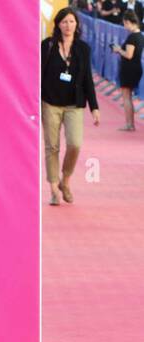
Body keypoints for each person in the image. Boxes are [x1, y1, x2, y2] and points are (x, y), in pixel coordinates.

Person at [41, 7, 99, 205]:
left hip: (74, 103)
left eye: (72, 22)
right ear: (58, 24)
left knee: (75, 143)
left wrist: (95, 107)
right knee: (52, 147)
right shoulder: (47, 46)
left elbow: (88, 79)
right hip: (50, 102)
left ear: (77, 24)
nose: (68, 25)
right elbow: (37, 74)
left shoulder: (83, 49)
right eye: (64, 22)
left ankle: (65, 179)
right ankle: (54, 188)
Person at [112, 12, 141, 130]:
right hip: (135, 68)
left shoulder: (132, 37)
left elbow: (129, 55)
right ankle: (130, 124)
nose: (124, 26)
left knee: (126, 97)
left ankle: (130, 124)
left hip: (129, 69)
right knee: (128, 97)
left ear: (129, 22)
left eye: (125, 24)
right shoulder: (140, 35)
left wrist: (119, 50)